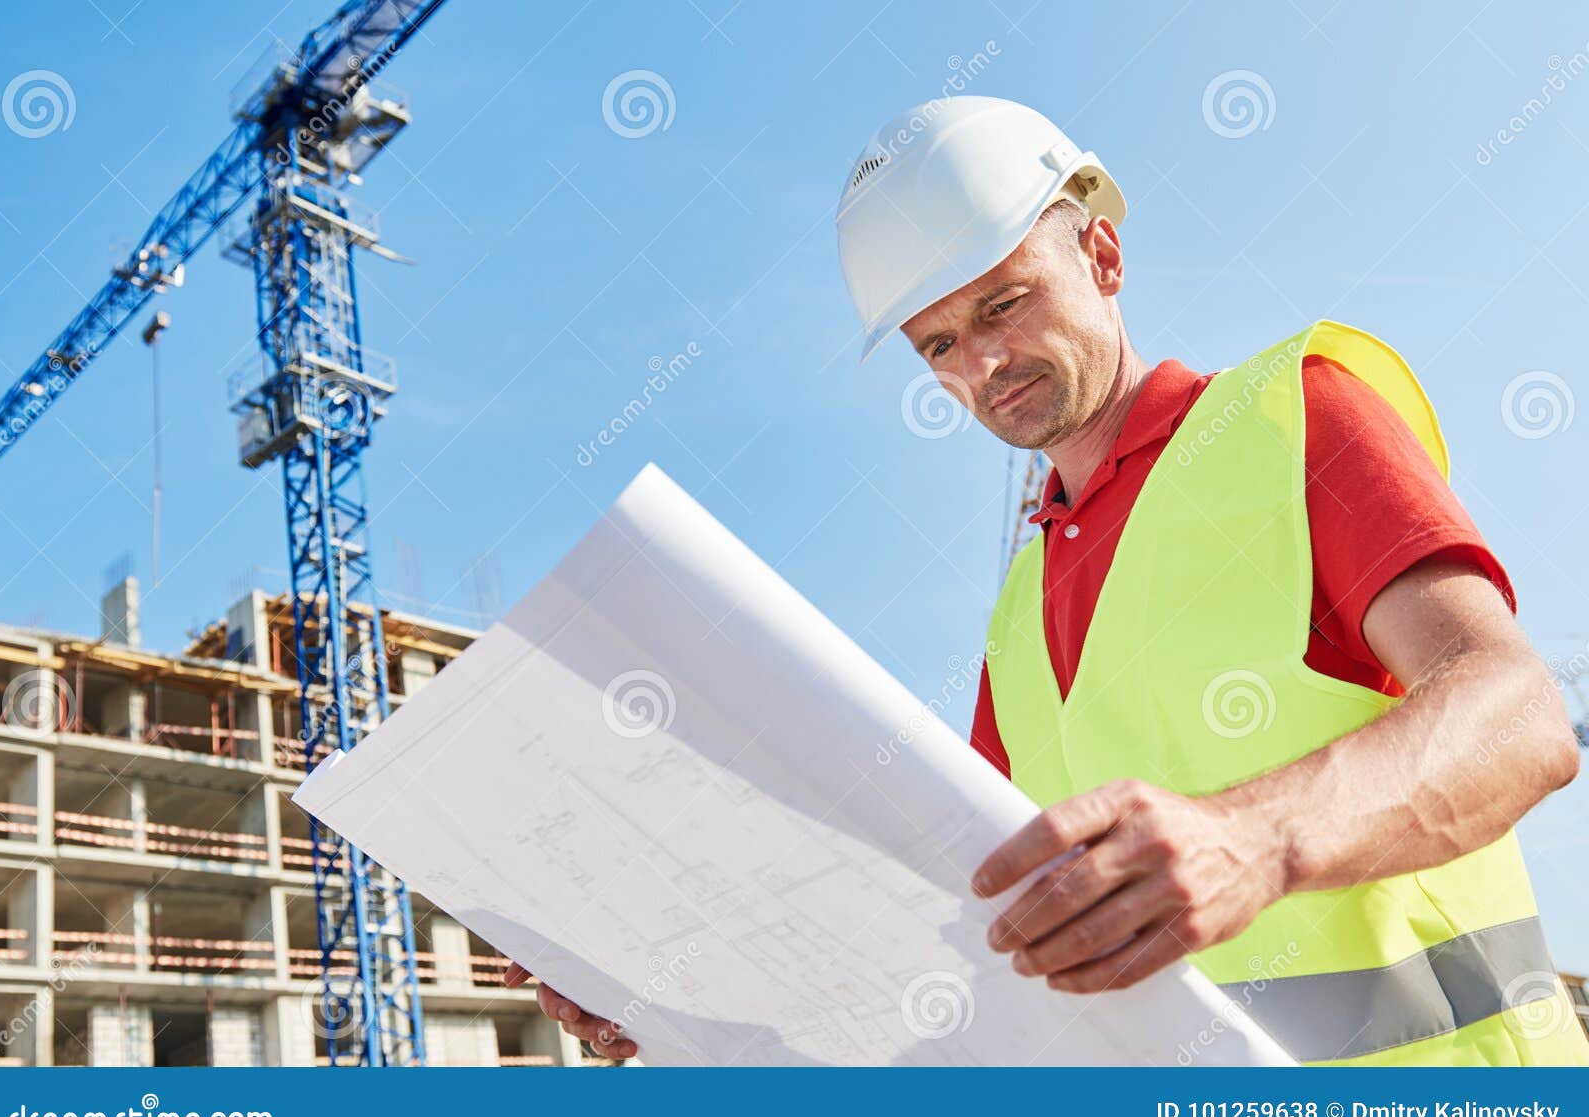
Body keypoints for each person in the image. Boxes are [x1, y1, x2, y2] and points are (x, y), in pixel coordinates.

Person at [514, 95, 1588, 1065]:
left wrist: (1251, 840)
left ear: (1104, 256)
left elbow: (1518, 716)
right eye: (935, 345)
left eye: (1002, 306)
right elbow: (966, 936)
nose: (977, 368)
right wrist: (680, 995)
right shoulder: (1019, 614)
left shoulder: (1292, 415)